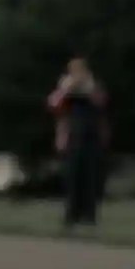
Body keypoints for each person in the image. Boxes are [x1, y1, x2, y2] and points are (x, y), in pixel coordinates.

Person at [47, 57, 109, 232]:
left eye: (80, 69)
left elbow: (101, 102)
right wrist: (68, 89)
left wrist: (88, 90)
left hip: (91, 136)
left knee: (90, 176)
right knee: (72, 176)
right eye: (74, 69)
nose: (77, 73)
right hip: (72, 137)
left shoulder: (93, 85)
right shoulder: (65, 86)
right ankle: (71, 216)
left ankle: (89, 216)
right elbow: (53, 104)